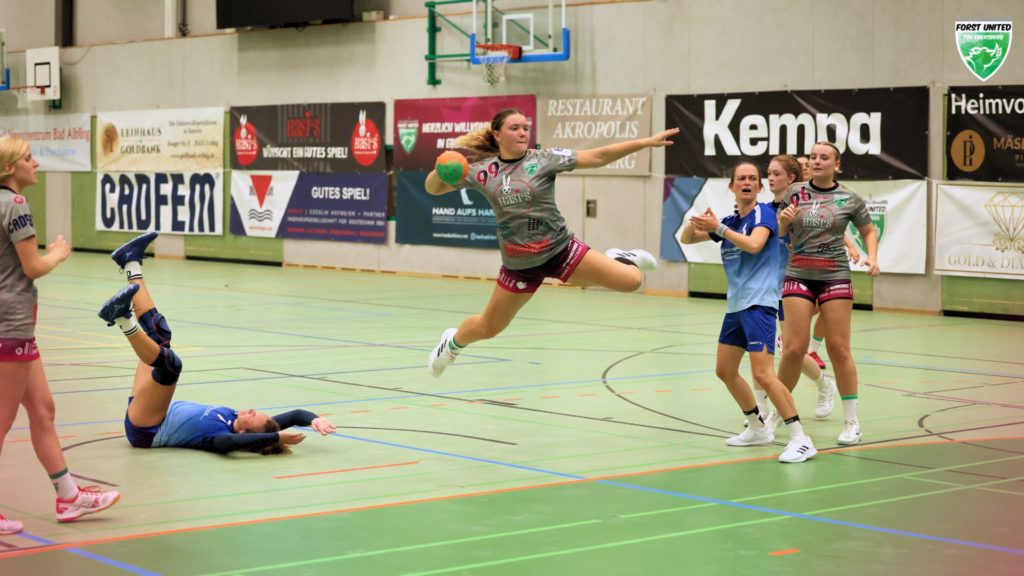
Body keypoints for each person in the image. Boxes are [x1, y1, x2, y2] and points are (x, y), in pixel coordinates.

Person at [424, 109, 679, 377]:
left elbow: (598, 156)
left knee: (632, 282)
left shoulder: (545, 159)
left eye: (525, 127)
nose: (523, 132)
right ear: (497, 134)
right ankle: (451, 345)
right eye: (515, 128)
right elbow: (433, 188)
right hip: (519, 265)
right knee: (489, 327)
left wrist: (644, 142)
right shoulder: (483, 172)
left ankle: (619, 257)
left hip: (559, 249)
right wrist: (441, 168)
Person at [97, 232, 337, 454]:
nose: (251, 410)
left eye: (253, 416)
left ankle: (121, 318)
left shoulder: (219, 436)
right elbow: (295, 414)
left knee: (171, 367)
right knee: (159, 337)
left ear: (244, 432)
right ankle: (130, 263)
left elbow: (231, 444)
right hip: (152, 408)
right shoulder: (235, 418)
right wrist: (315, 419)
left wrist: (276, 438)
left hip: (146, 428)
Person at [0, 135, 119, 535]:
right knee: (1, 421)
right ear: (10, 167)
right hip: (9, 326)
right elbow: (32, 266)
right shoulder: (15, 205)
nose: (36, 165)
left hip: (17, 326)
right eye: (29, 159)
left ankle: (68, 497)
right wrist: (60, 253)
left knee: (43, 409)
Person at [680, 161, 815, 463]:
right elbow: (687, 239)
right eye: (741, 178)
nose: (747, 182)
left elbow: (755, 245)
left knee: (764, 375)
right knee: (725, 370)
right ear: (731, 186)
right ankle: (757, 427)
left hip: (760, 304)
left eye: (753, 178)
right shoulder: (730, 220)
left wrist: (720, 229)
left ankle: (800, 438)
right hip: (736, 305)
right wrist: (697, 222)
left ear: (759, 186)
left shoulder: (764, 214)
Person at [778, 142, 879, 445]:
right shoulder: (794, 193)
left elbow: (868, 230)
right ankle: (777, 411)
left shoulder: (849, 198)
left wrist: (872, 257)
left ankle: (851, 421)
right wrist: (783, 222)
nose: (817, 161)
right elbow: (783, 234)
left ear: (837, 164)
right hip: (798, 274)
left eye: (825, 157)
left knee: (839, 349)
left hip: (834, 275)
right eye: (814, 156)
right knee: (793, 349)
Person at [764, 155, 837, 422]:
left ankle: (822, 385)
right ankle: (763, 410)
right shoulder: (763, 210)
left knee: (790, 349)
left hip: (795, 286)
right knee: (764, 350)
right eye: (768, 173)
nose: (769, 177)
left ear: (791, 178)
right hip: (764, 287)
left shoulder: (807, 209)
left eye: (776, 173)